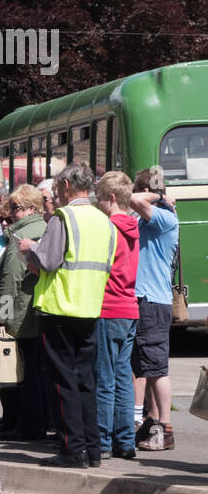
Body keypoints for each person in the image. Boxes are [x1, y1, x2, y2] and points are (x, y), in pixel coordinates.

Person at [20, 163, 116, 467]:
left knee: (63, 382)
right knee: (86, 381)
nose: (57, 193)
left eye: (59, 187)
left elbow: (47, 261)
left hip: (60, 306)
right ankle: (92, 448)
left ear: (66, 186)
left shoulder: (64, 217)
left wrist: (29, 250)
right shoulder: (104, 221)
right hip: (89, 307)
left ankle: (72, 449)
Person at [0, 187, 47, 438]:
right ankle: (38, 421)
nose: (11, 213)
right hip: (41, 310)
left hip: (21, 315)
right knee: (38, 371)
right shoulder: (46, 230)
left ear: (31, 209)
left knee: (21, 373)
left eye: (15, 208)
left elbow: (9, 281)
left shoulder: (19, 237)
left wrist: (0, 318)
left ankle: (27, 425)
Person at [130, 169, 179, 451]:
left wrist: (158, 195)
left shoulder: (164, 217)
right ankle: (151, 422)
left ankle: (165, 428)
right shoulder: (149, 216)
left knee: (157, 368)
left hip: (152, 300)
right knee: (143, 366)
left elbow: (133, 198)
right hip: (143, 299)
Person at [93, 172, 140, 460]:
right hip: (129, 307)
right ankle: (125, 441)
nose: (97, 204)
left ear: (111, 198)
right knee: (123, 377)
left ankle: (101, 440)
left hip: (108, 308)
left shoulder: (108, 228)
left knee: (104, 378)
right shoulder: (133, 226)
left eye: (99, 198)